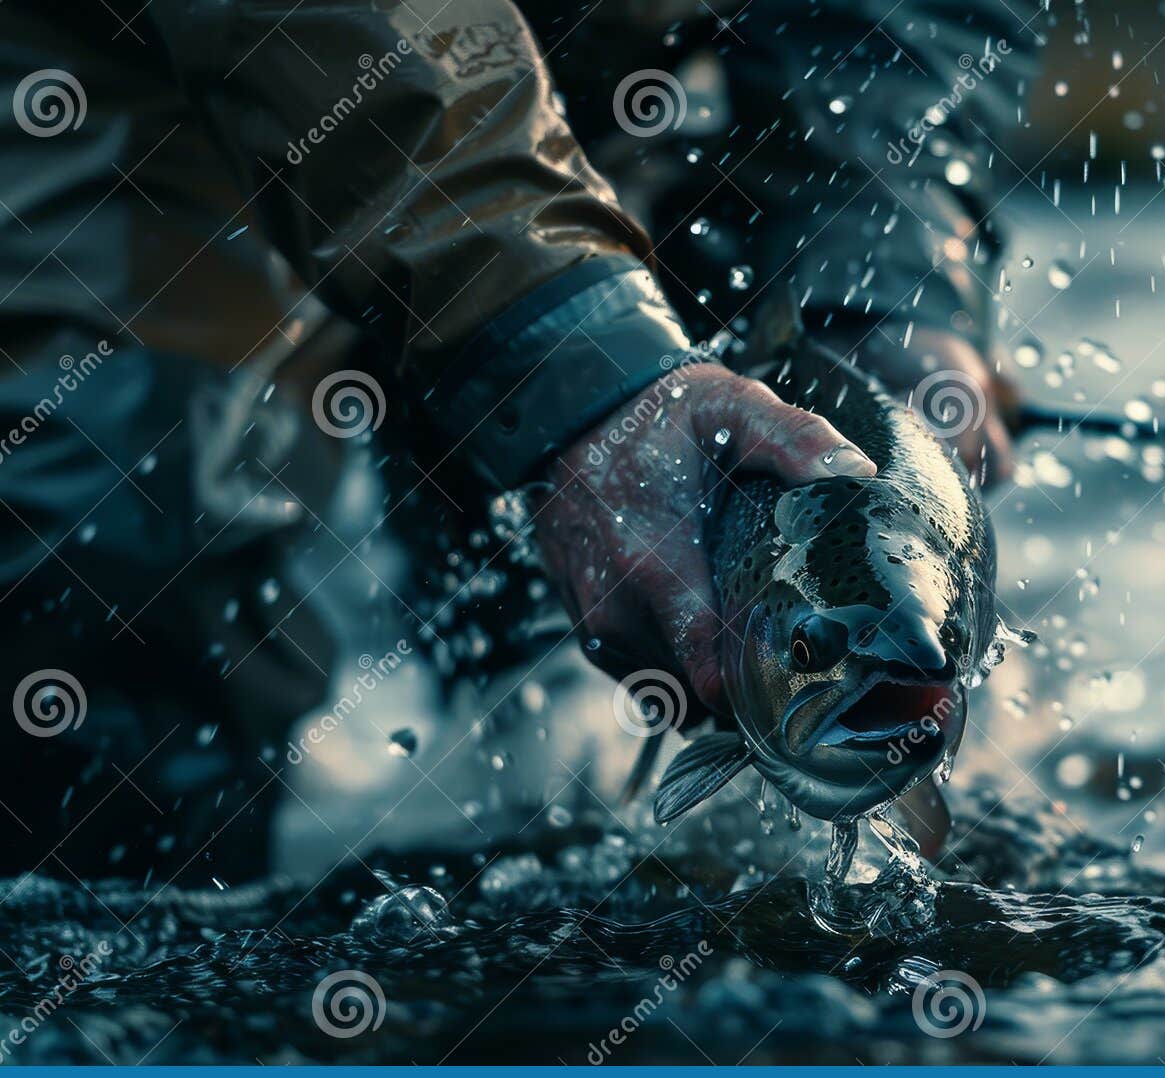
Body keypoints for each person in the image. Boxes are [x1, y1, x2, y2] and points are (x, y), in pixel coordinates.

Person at [0, 0, 1038, 881]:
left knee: (564, 557)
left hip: (580, 76)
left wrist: (879, 290)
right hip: (120, 62)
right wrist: (570, 360)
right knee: (112, 535)